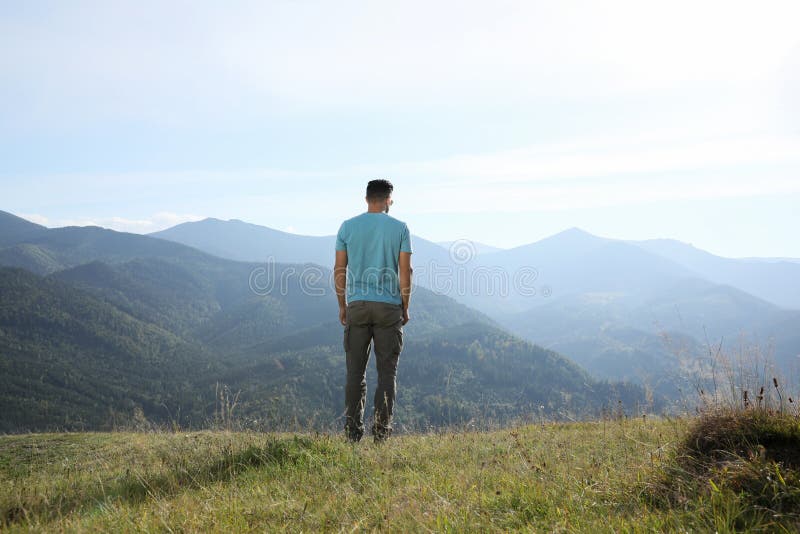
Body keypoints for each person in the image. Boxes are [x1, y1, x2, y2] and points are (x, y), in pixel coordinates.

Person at [334, 179, 413, 443]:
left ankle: (353, 435)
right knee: (387, 374)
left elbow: (339, 271)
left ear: (367, 199)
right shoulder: (400, 228)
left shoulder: (347, 227)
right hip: (389, 308)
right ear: (388, 199)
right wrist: (406, 306)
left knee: (355, 374)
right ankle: (381, 435)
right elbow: (405, 272)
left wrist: (342, 305)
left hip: (356, 306)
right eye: (392, 200)